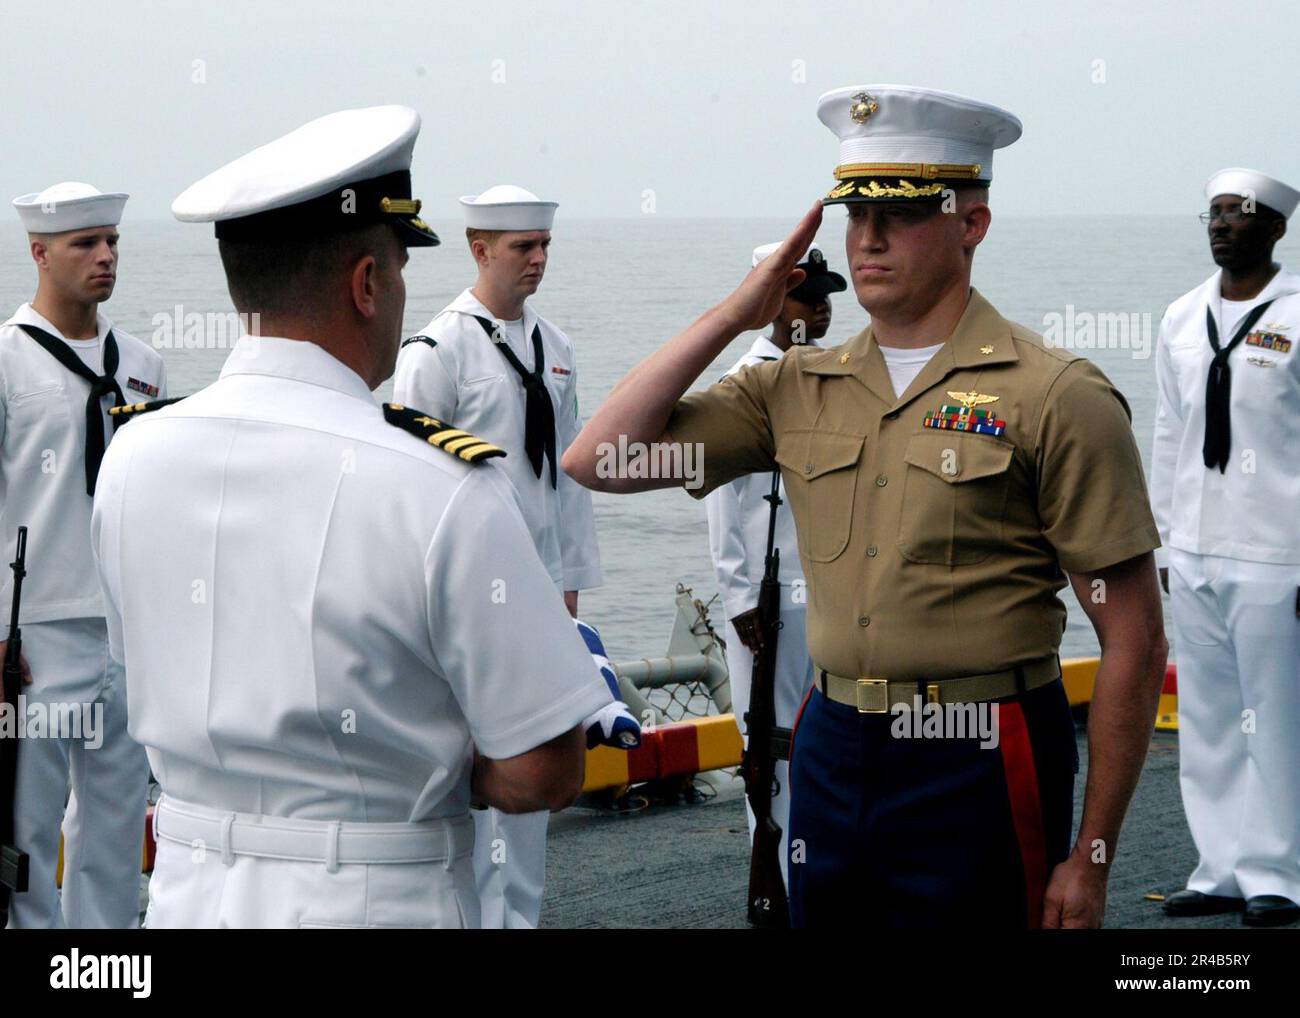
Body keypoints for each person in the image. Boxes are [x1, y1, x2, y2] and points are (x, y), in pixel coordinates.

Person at [564, 85, 1168, 928]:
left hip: (983, 749)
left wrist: (1093, 856)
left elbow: (1133, 637)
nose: (871, 236)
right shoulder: (793, 387)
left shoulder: (1056, 395)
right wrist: (738, 312)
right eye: (855, 214)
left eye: (907, 211)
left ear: (973, 222)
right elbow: (600, 460)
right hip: (832, 743)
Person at [89, 106, 613, 929]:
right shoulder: (442, 487)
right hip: (377, 899)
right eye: (399, 268)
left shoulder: (130, 459)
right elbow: (546, 769)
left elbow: (149, 661)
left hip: (188, 897)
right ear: (367, 284)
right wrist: (435, 754)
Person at [393, 184, 602, 929]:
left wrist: (570, 586)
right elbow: (411, 488)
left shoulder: (557, 348)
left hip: (540, 595)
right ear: (480, 249)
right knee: (480, 793)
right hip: (471, 605)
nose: (539, 259)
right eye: (523, 247)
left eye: (545, 246)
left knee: (532, 798)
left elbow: (568, 478)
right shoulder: (436, 351)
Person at [1, 182, 163, 928]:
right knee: (26, 833)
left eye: (112, 242)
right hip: (30, 636)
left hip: (125, 630)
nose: (106, 257)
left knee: (114, 825)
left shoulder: (143, 364)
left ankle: (100, 965)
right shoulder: (7, 360)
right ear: (39, 252)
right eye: (85, 244)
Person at [1151, 167, 1300, 927]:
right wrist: (1169, 546)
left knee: (1275, 716)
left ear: (1275, 227)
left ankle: (1276, 871)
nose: (1221, 226)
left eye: (1238, 215)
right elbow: (1171, 436)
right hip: (1200, 550)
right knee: (1207, 712)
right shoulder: (1181, 317)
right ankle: (1219, 869)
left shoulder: (1299, 314)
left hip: (1279, 551)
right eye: (1211, 213)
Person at [704, 241, 844, 887]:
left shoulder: (828, 377)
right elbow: (719, 502)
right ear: (768, 301)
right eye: (805, 299)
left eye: (824, 302)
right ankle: (781, 882)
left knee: (825, 737)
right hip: (768, 602)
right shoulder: (741, 386)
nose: (819, 313)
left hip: (825, 589)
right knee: (774, 743)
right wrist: (736, 599)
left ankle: (818, 874)